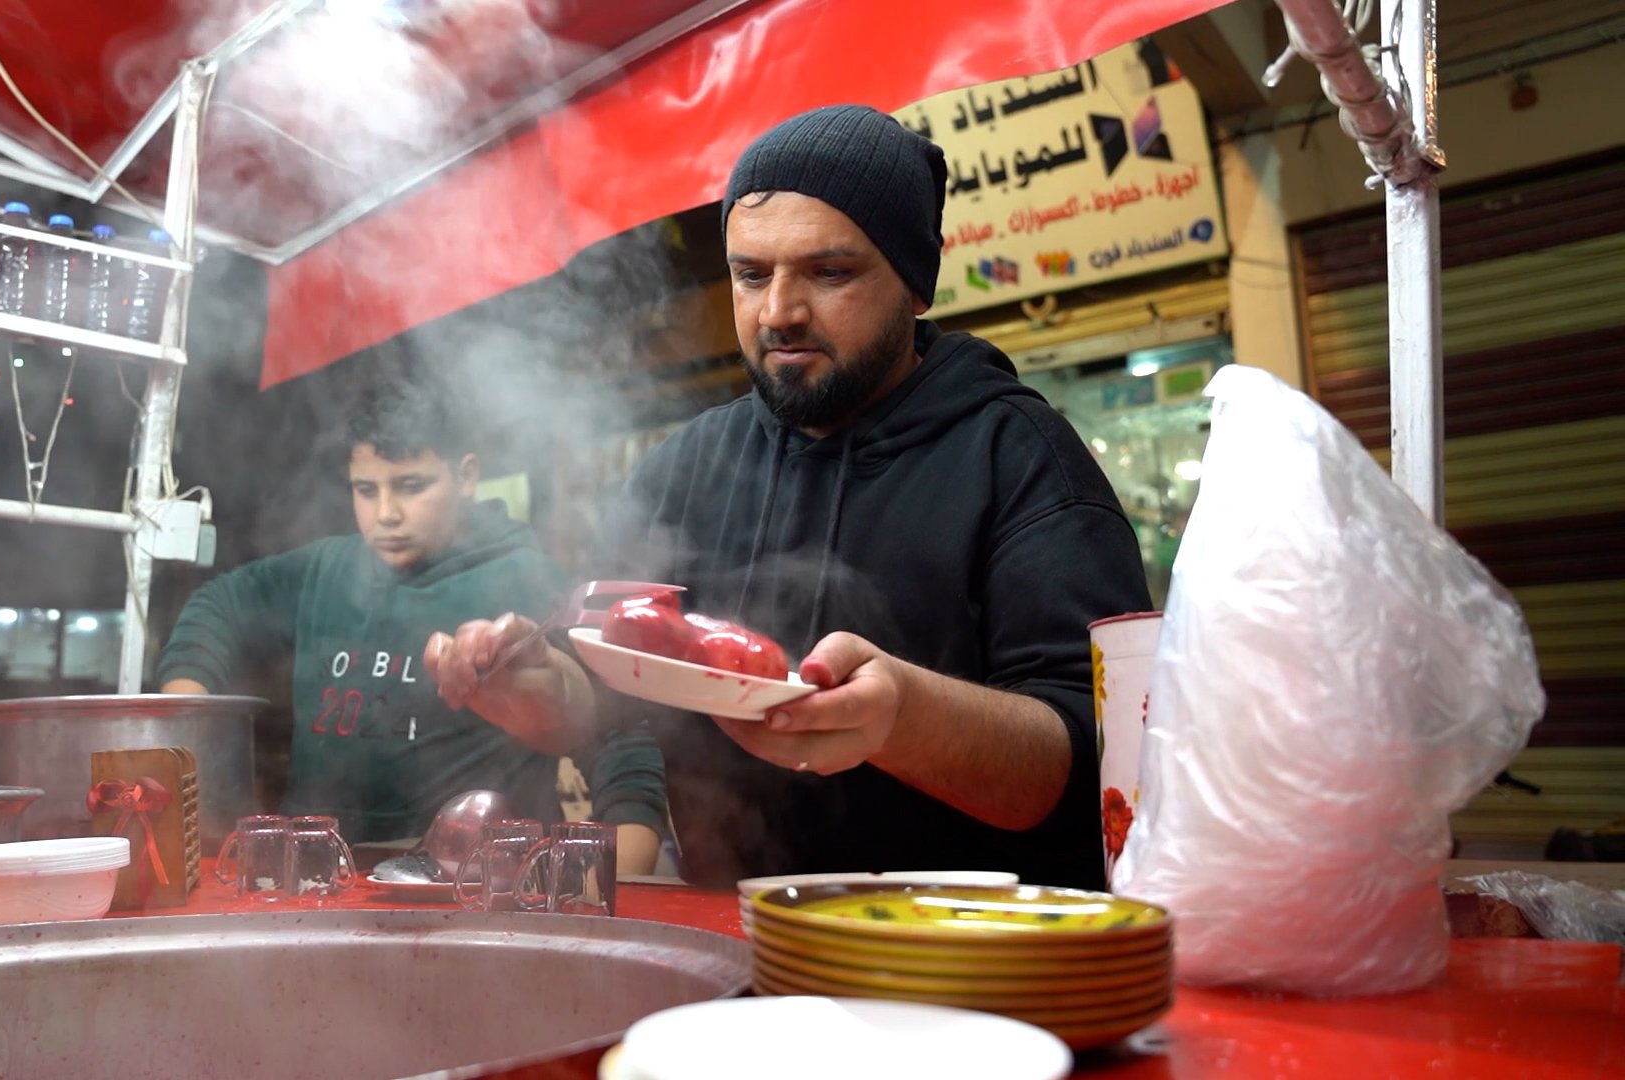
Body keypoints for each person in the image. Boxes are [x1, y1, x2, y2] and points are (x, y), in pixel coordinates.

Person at [423, 105, 1152, 889]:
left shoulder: (1019, 458)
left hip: (974, 968)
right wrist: (537, 687)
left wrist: (901, 716)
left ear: (914, 285)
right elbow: (602, 695)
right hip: (740, 953)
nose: (778, 311)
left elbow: (1100, 767)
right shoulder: (686, 469)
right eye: (751, 274)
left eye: (829, 272)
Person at [157, 387, 667, 874]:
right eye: (366, 490)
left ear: (466, 476)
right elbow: (220, 603)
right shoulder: (325, 569)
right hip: (313, 882)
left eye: (411, 486)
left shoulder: (526, 581)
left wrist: (622, 877)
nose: (386, 515)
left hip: (475, 891)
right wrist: (183, 721)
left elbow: (618, 734)